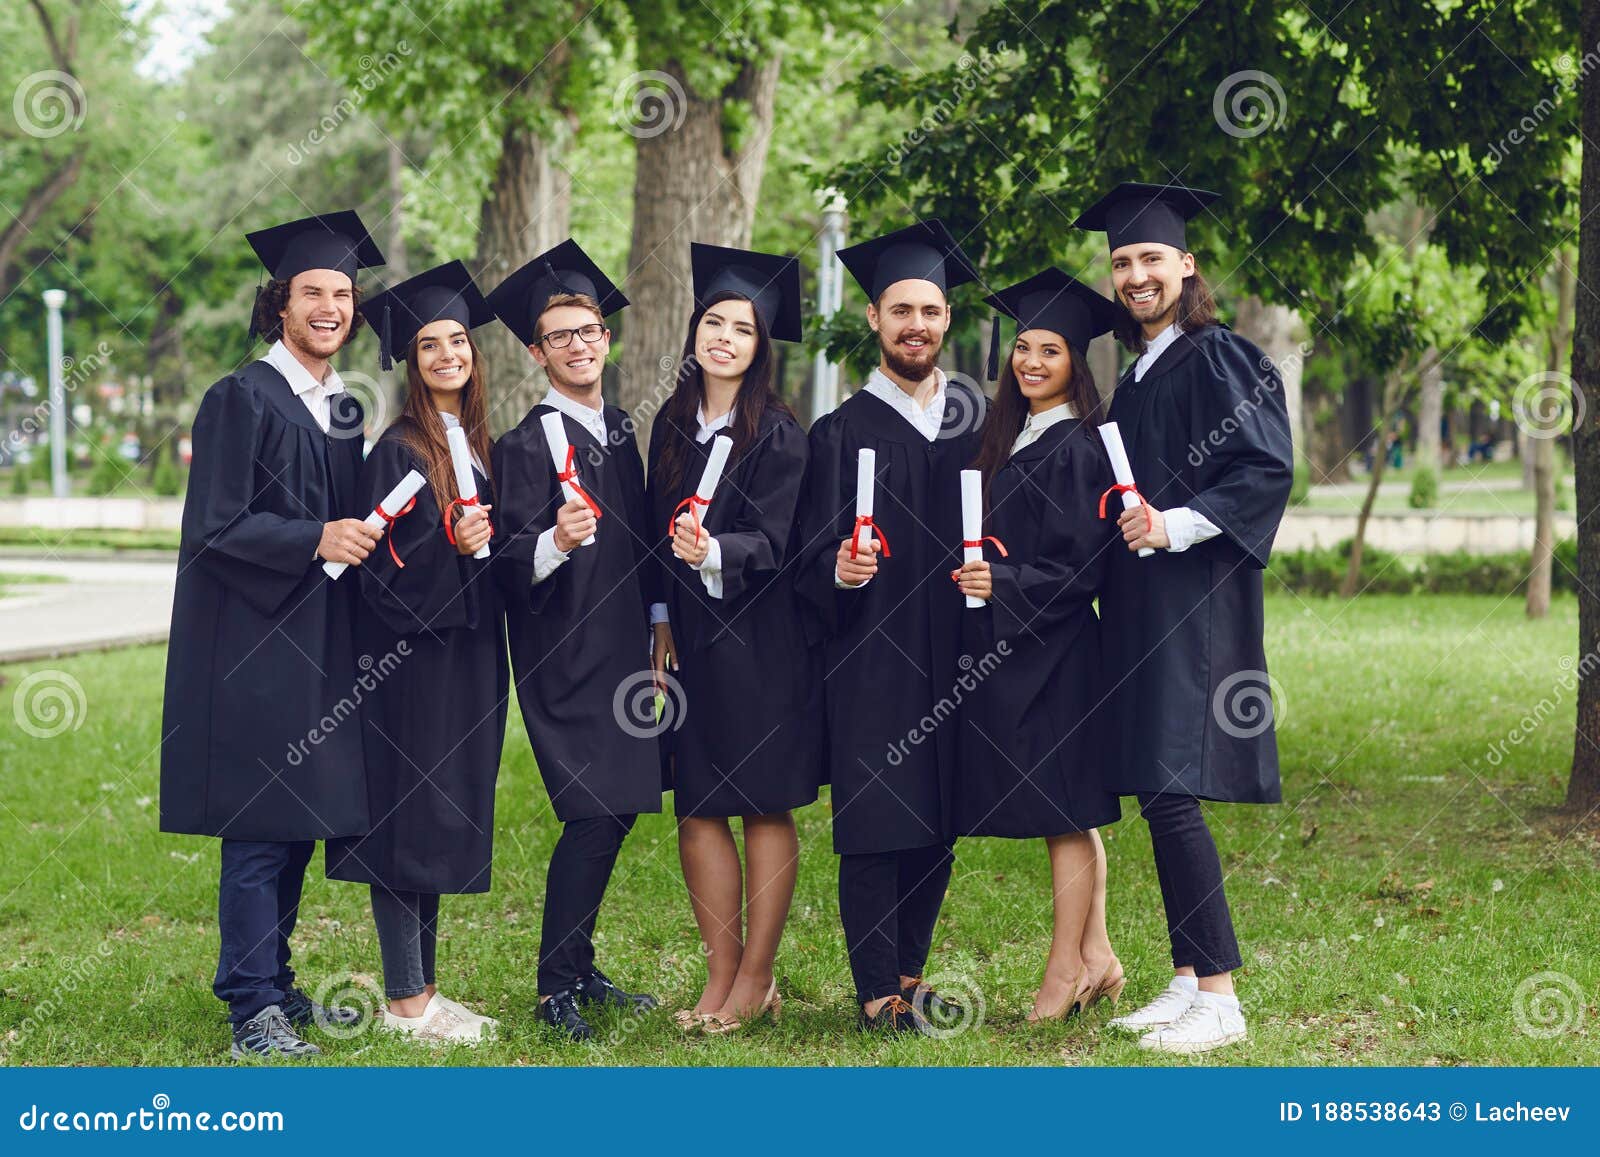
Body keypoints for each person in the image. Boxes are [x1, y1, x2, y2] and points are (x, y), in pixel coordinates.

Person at [1073, 181, 1294, 1052]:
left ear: (1186, 266)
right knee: (1155, 785)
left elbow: (1265, 469)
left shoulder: (1217, 355)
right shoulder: (1139, 371)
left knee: (1172, 792)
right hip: (1142, 601)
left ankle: (1224, 997)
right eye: (1123, 261)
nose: (1135, 275)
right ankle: (1184, 978)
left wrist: (1173, 524)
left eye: (1151, 259)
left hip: (1193, 600)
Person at [160, 210, 384, 1059]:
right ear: (279, 304)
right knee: (259, 827)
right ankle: (251, 1005)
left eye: (343, 293)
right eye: (313, 292)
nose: (330, 306)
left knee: (296, 821)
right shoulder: (239, 398)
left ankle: (275, 981)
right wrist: (314, 537)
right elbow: (214, 528)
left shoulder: (342, 409)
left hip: (320, 640)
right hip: (252, 645)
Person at [795, 219, 985, 1035]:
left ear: (947, 320)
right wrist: (837, 569)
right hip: (869, 654)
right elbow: (799, 560)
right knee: (876, 817)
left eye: (931, 311)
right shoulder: (837, 435)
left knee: (939, 816)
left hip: (958, 655)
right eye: (901, 309)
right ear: (873, 318)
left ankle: (910, 974)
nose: (917, 325)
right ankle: (876, 991)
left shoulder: (976, 426)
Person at [324, 260, 508, 1045]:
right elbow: (379, 577)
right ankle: (404, 1002)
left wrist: (486, 547)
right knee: (405, 821)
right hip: (410, 662)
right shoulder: (397, 451)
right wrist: (455, 547)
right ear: (411, 361)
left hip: (467, 659)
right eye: (429, 344)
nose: (446, 355)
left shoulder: (477, 443)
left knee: (436, 821)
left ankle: (425, 993)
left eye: (457, 340)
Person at [486, 239, 663, 1042]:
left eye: (589, 328)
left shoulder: (622, 428)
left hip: (628, 644)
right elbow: (505, 566)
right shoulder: (524, 445)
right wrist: (555, 537)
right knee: (596, 812)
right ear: (536, 351)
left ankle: (578, 961)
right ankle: (557, 984)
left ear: (606, 336)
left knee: (618, 809)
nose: (580, 343)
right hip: (565, 650)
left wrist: (661, 622)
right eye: (560, 335)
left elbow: (648, 540)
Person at [646, 243, 822, 1034]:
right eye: (712, 321)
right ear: (693, 332)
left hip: (760, 640)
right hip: (689, 639)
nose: (723, 337)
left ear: (760, 346)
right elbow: (653, 535)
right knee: (698, 804)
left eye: (741, 328)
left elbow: (777, 541)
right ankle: (719, 972)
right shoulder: (672, 425)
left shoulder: (778, 432)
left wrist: (713, 550)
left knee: (762, 802)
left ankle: (758, 976)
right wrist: (658, 620)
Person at [957, 269, 1125, 1021]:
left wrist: (1003, 581)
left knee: (1064, 811)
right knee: (1069, 807)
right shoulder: (1014, 435)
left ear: (1074, 363)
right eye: (1022, 348)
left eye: (1048, 350)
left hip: (1058, 647)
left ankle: (1064, 971)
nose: (1029, 361)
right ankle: (1099, 956)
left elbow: (1081, 567)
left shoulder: (1078, 446)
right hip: (1023, 648)